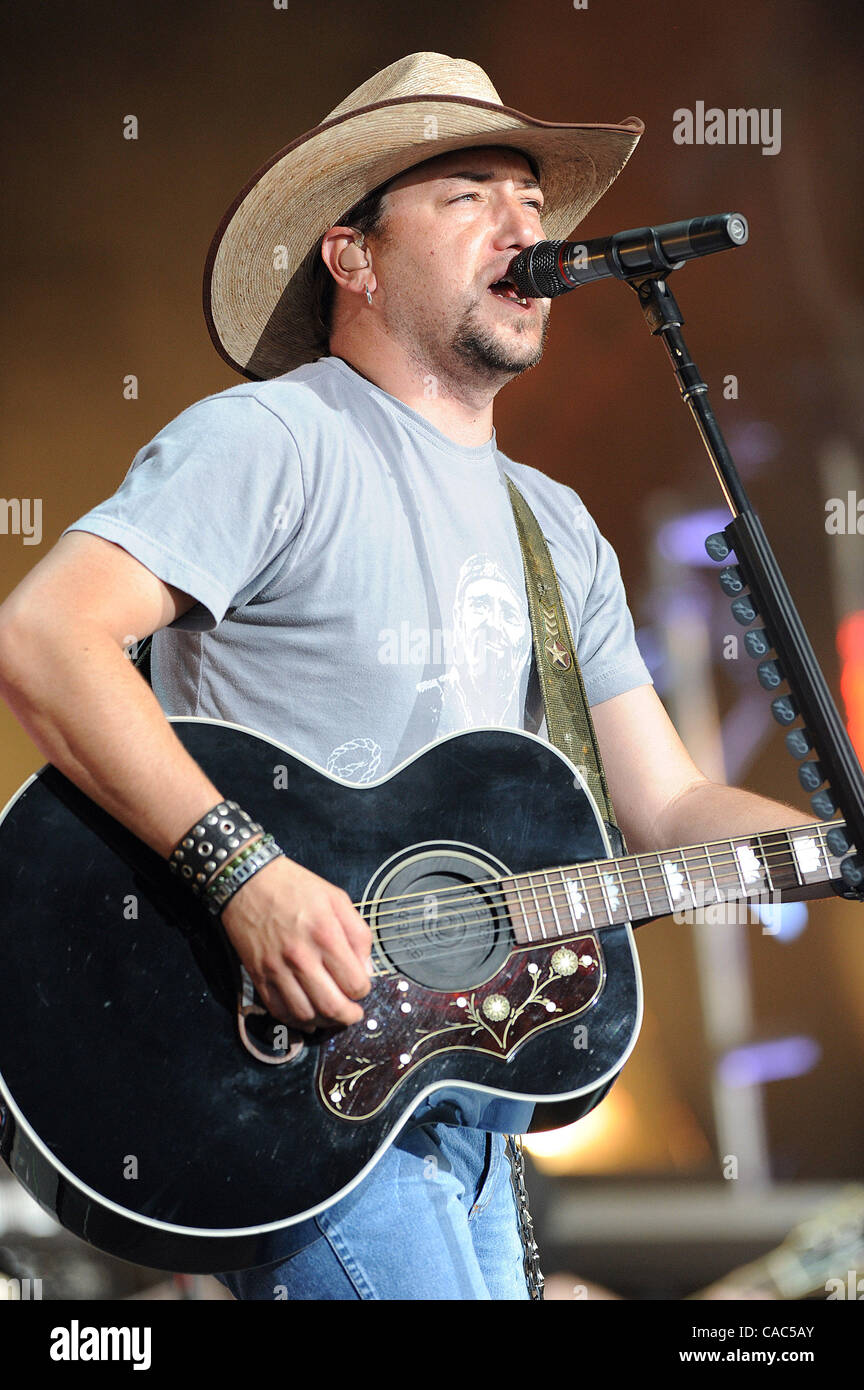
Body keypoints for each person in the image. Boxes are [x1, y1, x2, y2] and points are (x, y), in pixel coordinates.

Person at [0, 52, 818, 1301]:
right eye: (469, 195)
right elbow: (44, 637)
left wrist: (837, 844)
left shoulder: (557, 528)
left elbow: (665, 810)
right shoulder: (275, 438)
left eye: (534, 204)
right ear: (353, 258)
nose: (525, 228)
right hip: (273, 1074)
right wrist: (250, 879)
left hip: (461, 1093)